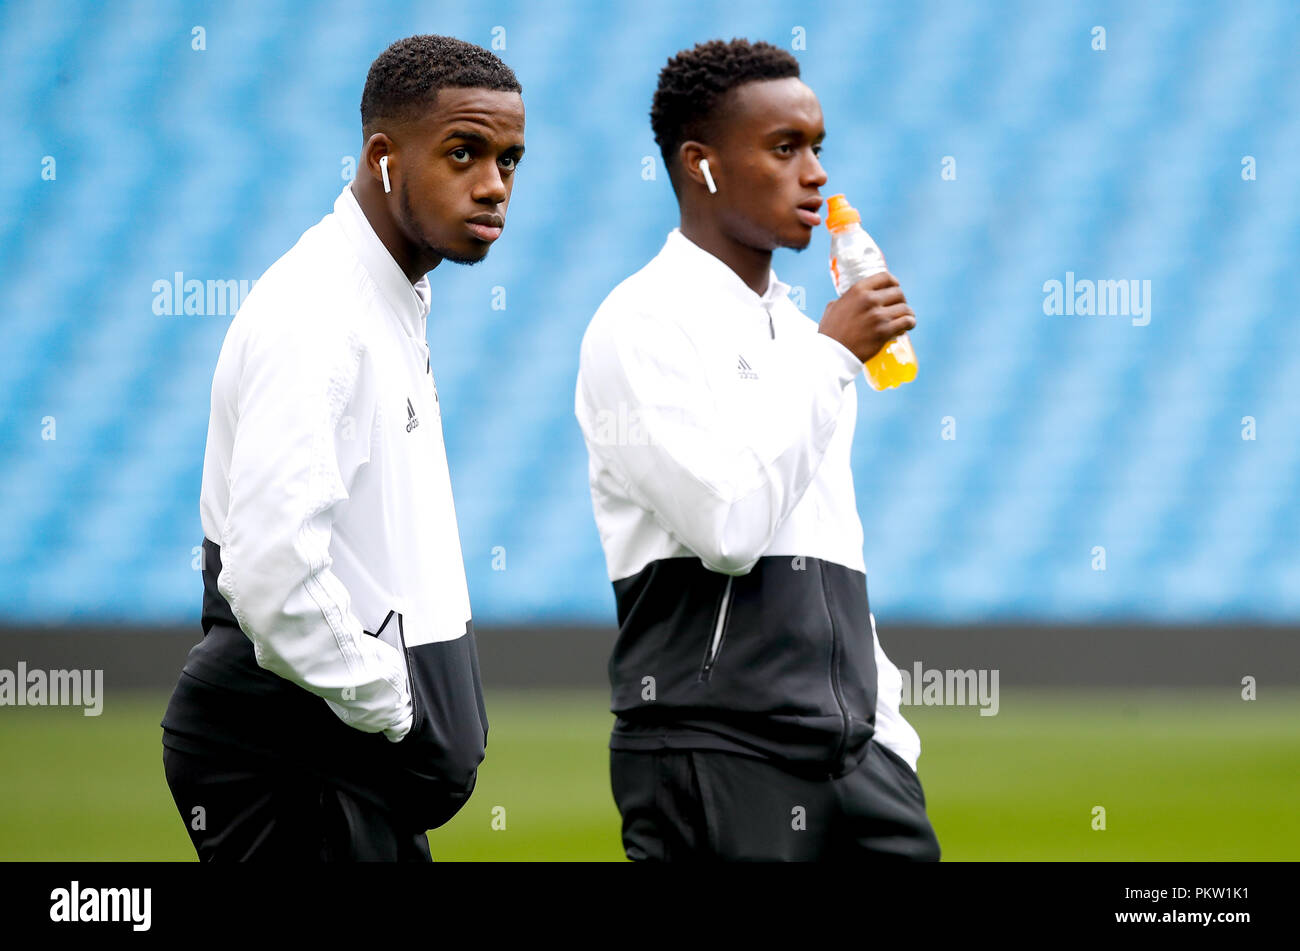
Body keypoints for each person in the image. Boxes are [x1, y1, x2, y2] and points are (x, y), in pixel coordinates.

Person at [160, 34, 525, 861]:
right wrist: (399, 710)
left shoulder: (391, 296)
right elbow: (272, 572)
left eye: (510, 160)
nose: (495, 185)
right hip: (299, 771)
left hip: (342, 774)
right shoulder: (322, 310)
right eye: (464, 153)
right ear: (383, 157)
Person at [574, 38, 940, 861]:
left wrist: (888, 733)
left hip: (855, 763)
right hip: (718, 754)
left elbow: (829, 539)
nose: (815, 173)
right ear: (701, 166)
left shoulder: (799, 332)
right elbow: (728, 529)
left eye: (818, 147)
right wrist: (835, 356)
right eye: (785, 148)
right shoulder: (640, 324)